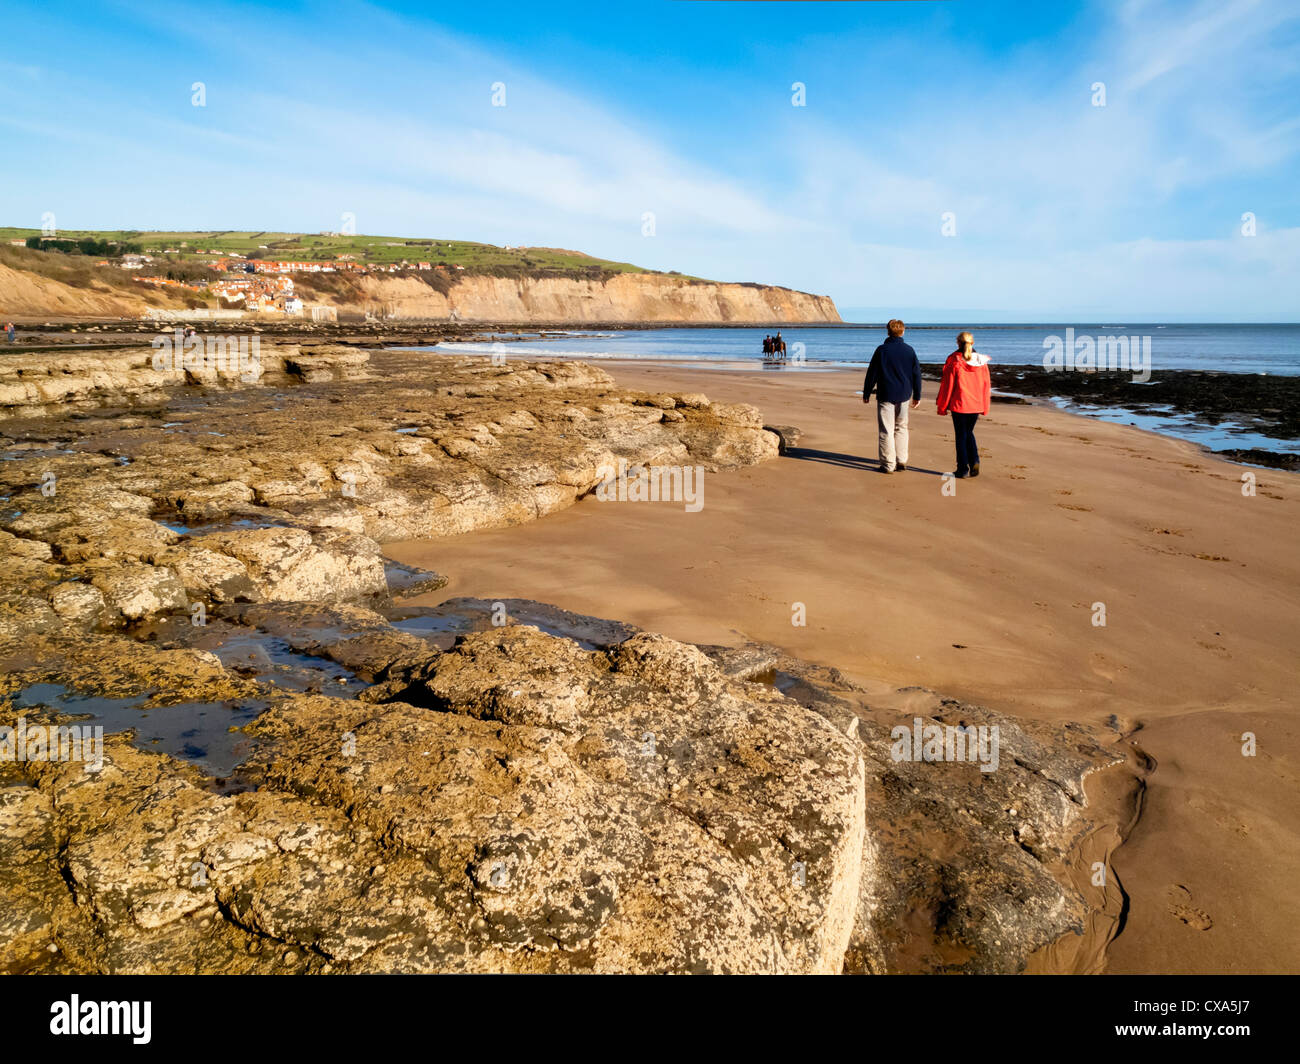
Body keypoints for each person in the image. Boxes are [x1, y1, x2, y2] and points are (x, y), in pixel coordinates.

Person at [862, 319, 921, 473]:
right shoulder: (909, 350)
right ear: (903, 331)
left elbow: (872, 373)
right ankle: (901, 460)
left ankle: (889, 464)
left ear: (888, 331)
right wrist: (917, 394)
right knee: (901, 427)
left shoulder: (882, 350)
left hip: (887, 393)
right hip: (904, 393)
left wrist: (867, 391)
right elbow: (916, 375)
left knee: (887, 430)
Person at [935, 330, 991, 478]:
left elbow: (948, 385)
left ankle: (963, 468)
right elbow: (986, 385)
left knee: (961, 435)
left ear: (958, 343)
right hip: (976, 404)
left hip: (960, 404)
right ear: (972, 343)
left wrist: (942, 405)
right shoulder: (981, 361)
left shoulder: (954, 360)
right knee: (968, 433)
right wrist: (985, 406)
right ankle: (974, 461)